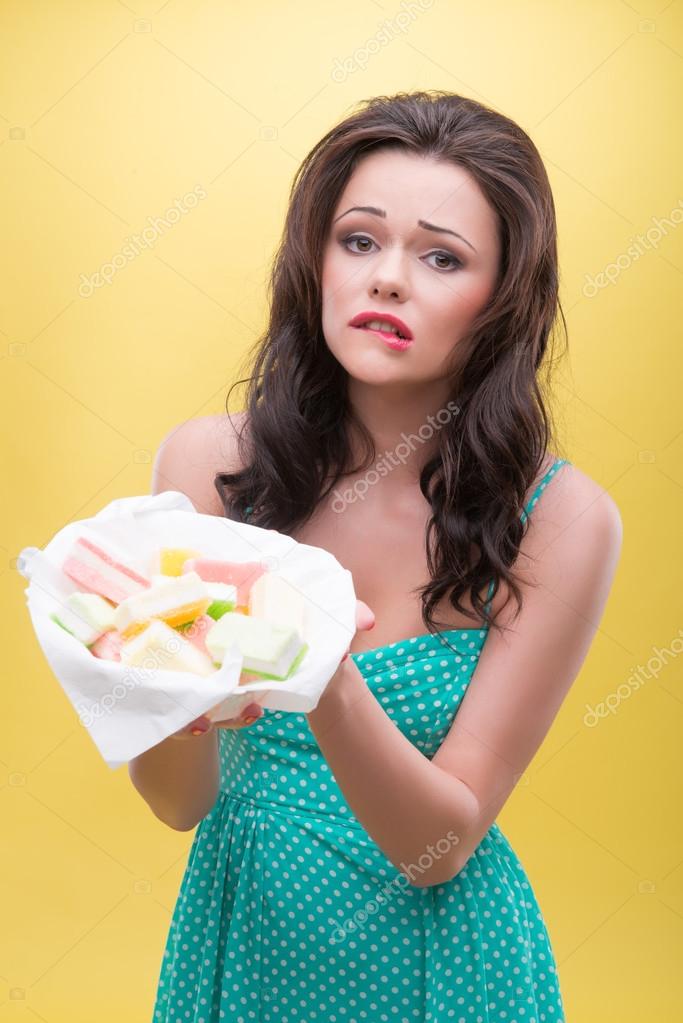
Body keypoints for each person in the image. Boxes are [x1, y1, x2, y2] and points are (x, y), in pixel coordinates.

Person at [130, 91, 622, 1022]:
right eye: (358, 240)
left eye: (442, 257)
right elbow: (178, 802)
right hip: (245, 944)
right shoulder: (204, 467)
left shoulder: (562, 520)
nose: (388, 279)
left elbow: (437, 845)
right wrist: (140, 670)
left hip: (446, 969)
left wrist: (319, 667)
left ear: (504, 297)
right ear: (313, 258)